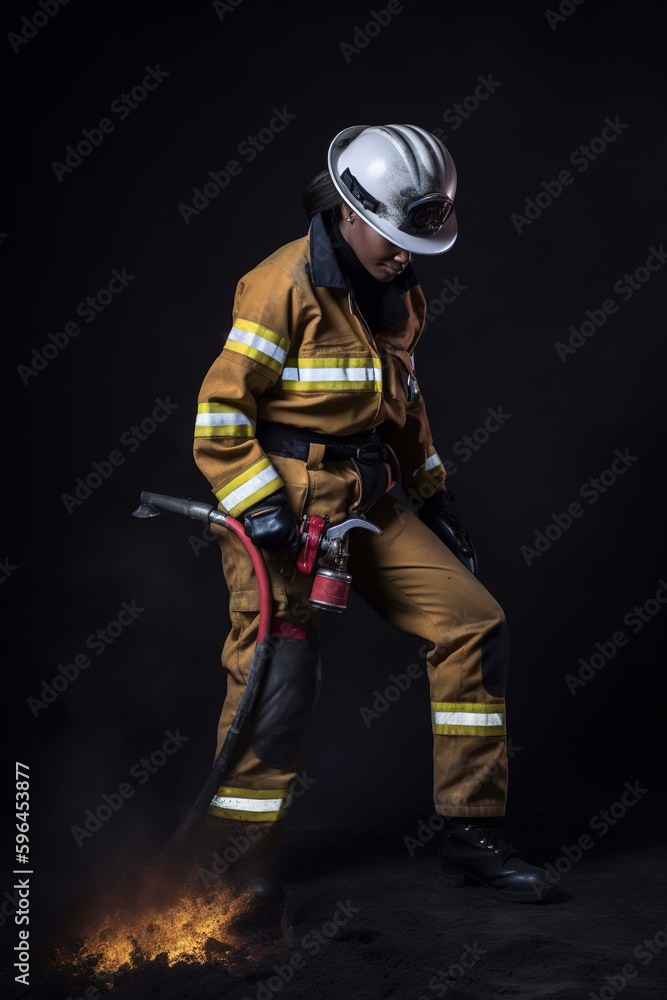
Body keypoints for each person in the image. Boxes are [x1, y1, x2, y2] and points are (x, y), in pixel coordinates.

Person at [193, 123, 555, 904]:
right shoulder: (279, 283)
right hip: (286, 501)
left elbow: (404, 408)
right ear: (349, 211)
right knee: (278, 673)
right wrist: (258, 509)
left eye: (414, 237)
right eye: (390, 236)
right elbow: (220, 416)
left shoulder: (399, 292)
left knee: (471, 622)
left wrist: (434, 495)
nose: (404, 252)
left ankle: (470, 830)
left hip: (366, 498)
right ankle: (234, 869)